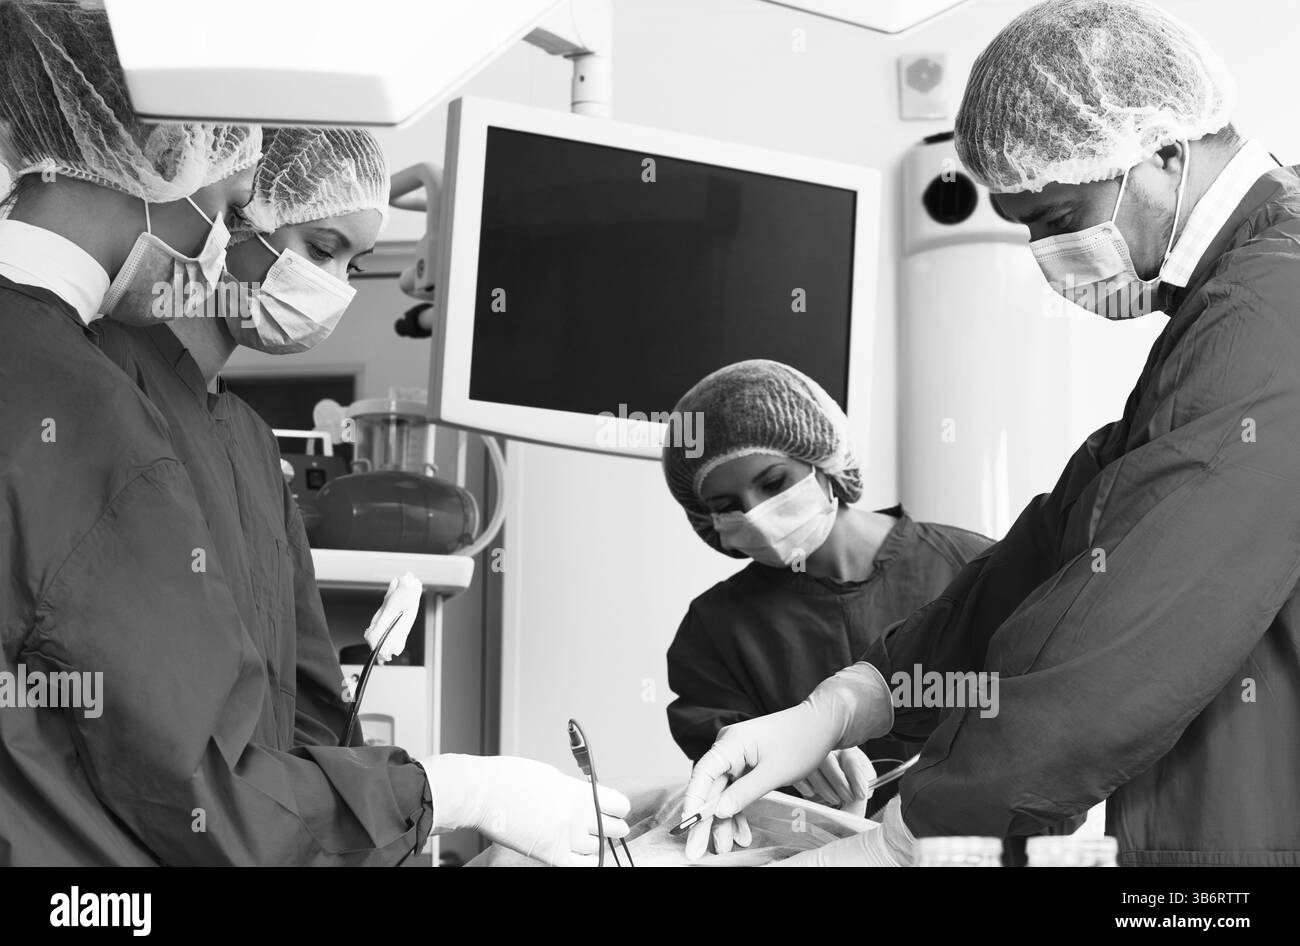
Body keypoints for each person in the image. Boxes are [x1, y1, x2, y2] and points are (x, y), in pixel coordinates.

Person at [0, 0, 627, 865]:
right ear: (155, 157)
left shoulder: (233, 442)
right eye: (227, 205)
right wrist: (452, 793)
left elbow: (285, 718)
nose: (219, 237)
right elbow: (201, 784)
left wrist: (392, 812)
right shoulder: (94, 403)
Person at [683, 0, 1300, 866]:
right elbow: (1067, 543)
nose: (1050, 256)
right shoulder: (1219, 315)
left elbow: (1114, 659)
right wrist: (851, 701)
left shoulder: (1271, 309)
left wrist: (903, 838)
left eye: (1058, 218)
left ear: (1163, 148)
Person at [95, 126, 392, 749]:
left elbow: (312, 695)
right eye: (321, 248)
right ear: (237, 214)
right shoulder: (108, 380)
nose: (336, 286)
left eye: (353, 265)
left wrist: (373, 807)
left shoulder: (254, 445)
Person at [660, 360, 991, 852]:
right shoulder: (714, 629)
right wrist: (768, 753)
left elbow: (1046, 715)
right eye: (729, 506)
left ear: (824, 460)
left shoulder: (970, 567)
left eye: (773, 483)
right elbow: (720, 757)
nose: (756, 513)